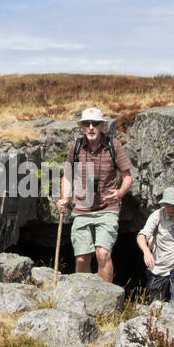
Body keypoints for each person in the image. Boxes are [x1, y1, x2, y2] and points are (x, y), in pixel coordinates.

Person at [56, 108, 132, 283]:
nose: (91, 127)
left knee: (102, 254)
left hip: (108, 209)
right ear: (82, 126)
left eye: (95, 123)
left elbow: (127, 177)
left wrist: (119, 193)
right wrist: (64, 199)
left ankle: (106, 298)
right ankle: (83, 296)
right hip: (82, 209)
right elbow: (67, 176)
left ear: (102, 125)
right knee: (82, 258)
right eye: (86, 123)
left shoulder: (114, 145)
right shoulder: (75, 147)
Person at [137, 187, 174, 302]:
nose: (170, 208)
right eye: (167, 205)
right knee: (156, 304)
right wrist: (146, 252)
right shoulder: (156, 216)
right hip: (159, 268)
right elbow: (141, 236)